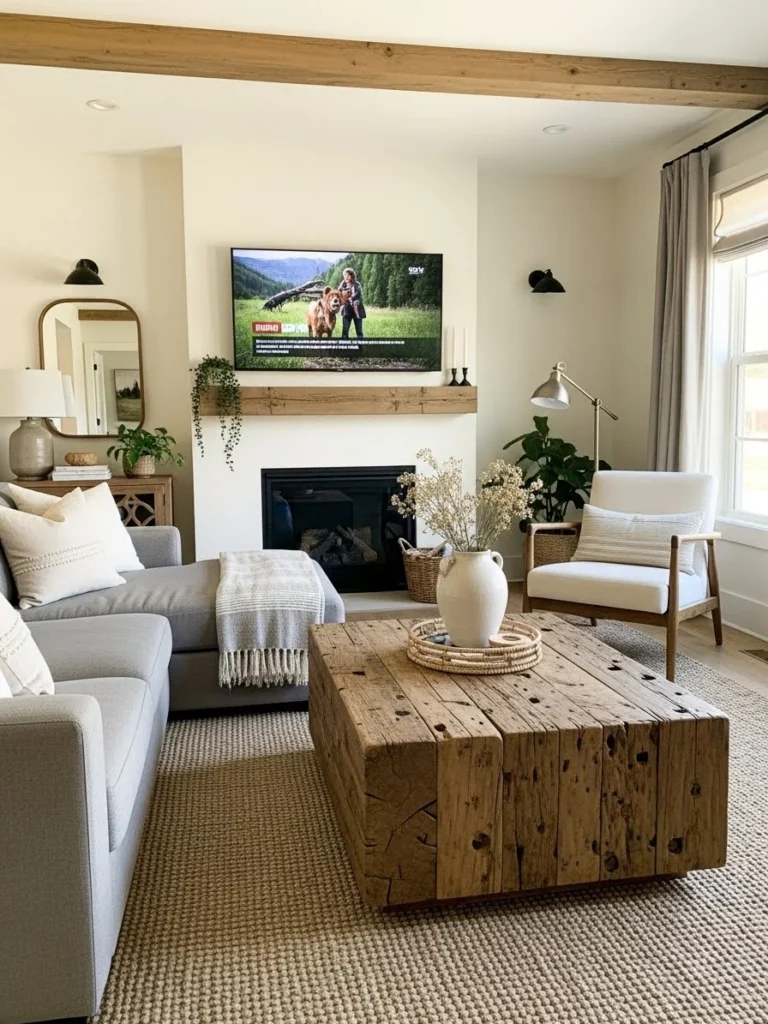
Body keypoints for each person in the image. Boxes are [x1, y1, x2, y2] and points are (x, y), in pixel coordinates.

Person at [339, 267, 366, 339]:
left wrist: (351, 297)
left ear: (352, 276)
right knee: (345, 331)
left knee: (359, 331)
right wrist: (342, 285)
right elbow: (338, 293)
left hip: (357, 312)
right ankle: (344, 348)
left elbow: (357, 295)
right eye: (344, 275)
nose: (346, 277)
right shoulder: (343, 285)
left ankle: (360, 348)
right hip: (347, 311)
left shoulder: (357, 285)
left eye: (348, 275)